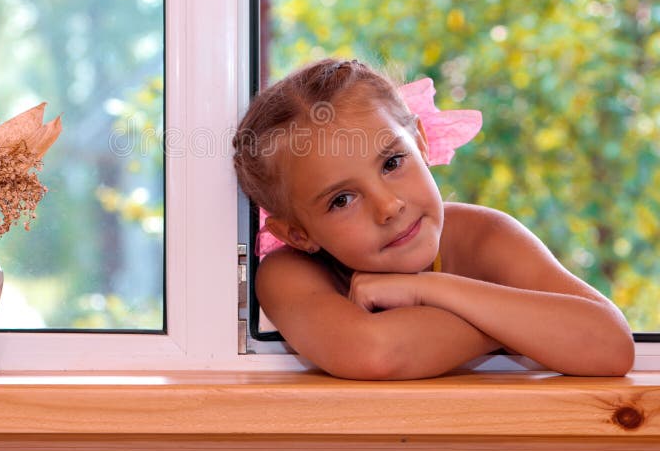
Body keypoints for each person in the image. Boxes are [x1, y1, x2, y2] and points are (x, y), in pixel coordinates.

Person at [232, 58, 634, 380]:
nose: (388, 207)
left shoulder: (483, 236)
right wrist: (521, 327)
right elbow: (376, 352)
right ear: (298, 234)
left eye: (392, 162)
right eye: (342, 200)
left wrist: (429, 289)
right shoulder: (290, 274)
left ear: (421, 143)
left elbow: (610, 344)